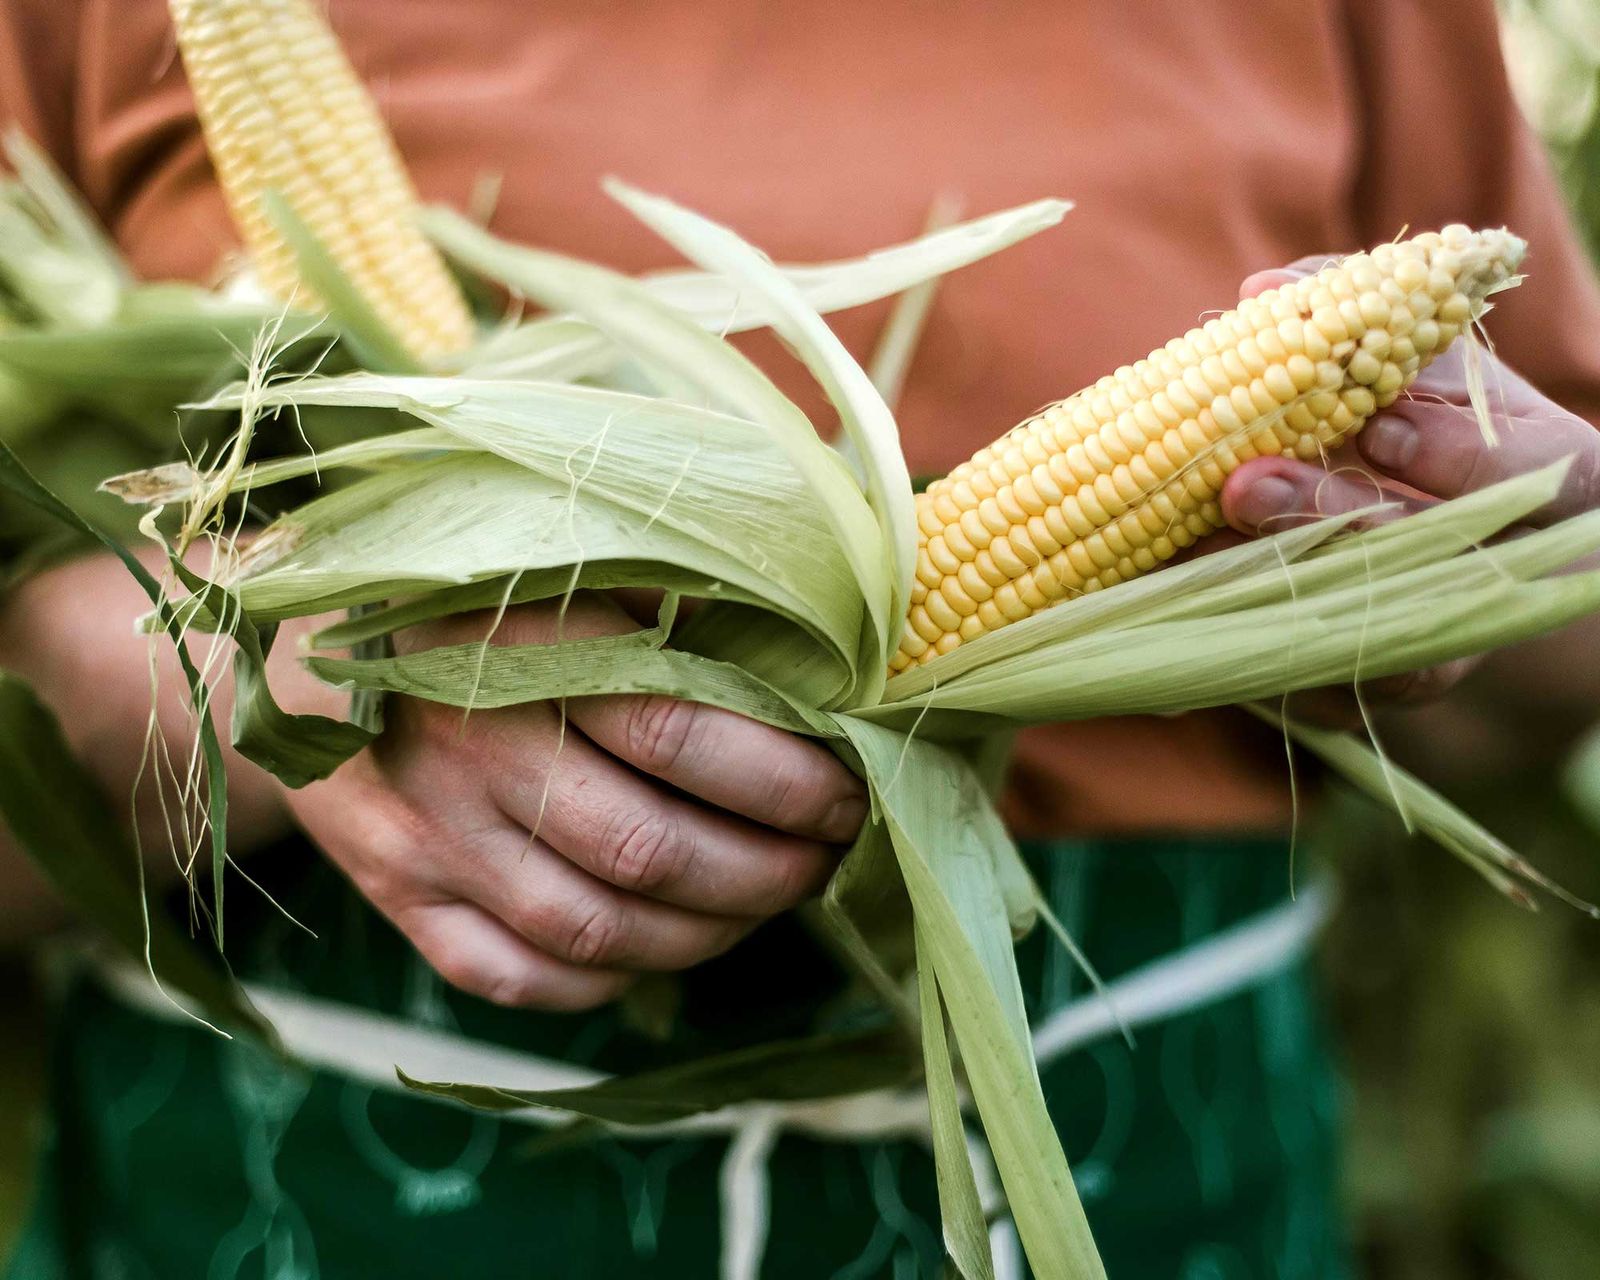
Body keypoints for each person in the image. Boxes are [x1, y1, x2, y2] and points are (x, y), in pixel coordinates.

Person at [3, 1, 1600, 1275]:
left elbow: (1546, 681)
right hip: (319, 1185)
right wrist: (283, 664)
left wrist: (1486, 573)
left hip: (1151, 1171)